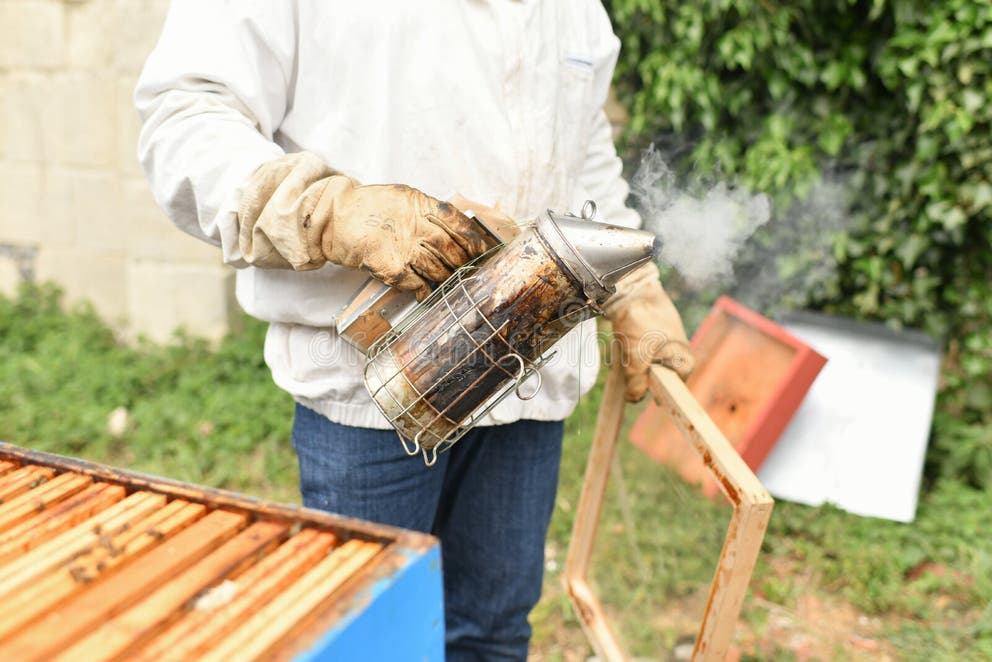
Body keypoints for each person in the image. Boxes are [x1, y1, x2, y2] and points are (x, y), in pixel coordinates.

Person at [135, 2, 693, 659]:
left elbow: (583, 144)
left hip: (528, 378)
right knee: (373, 643)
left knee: (491, 634)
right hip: (374, 388)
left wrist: (633, 284)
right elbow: (187, 111)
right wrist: (325, 210)